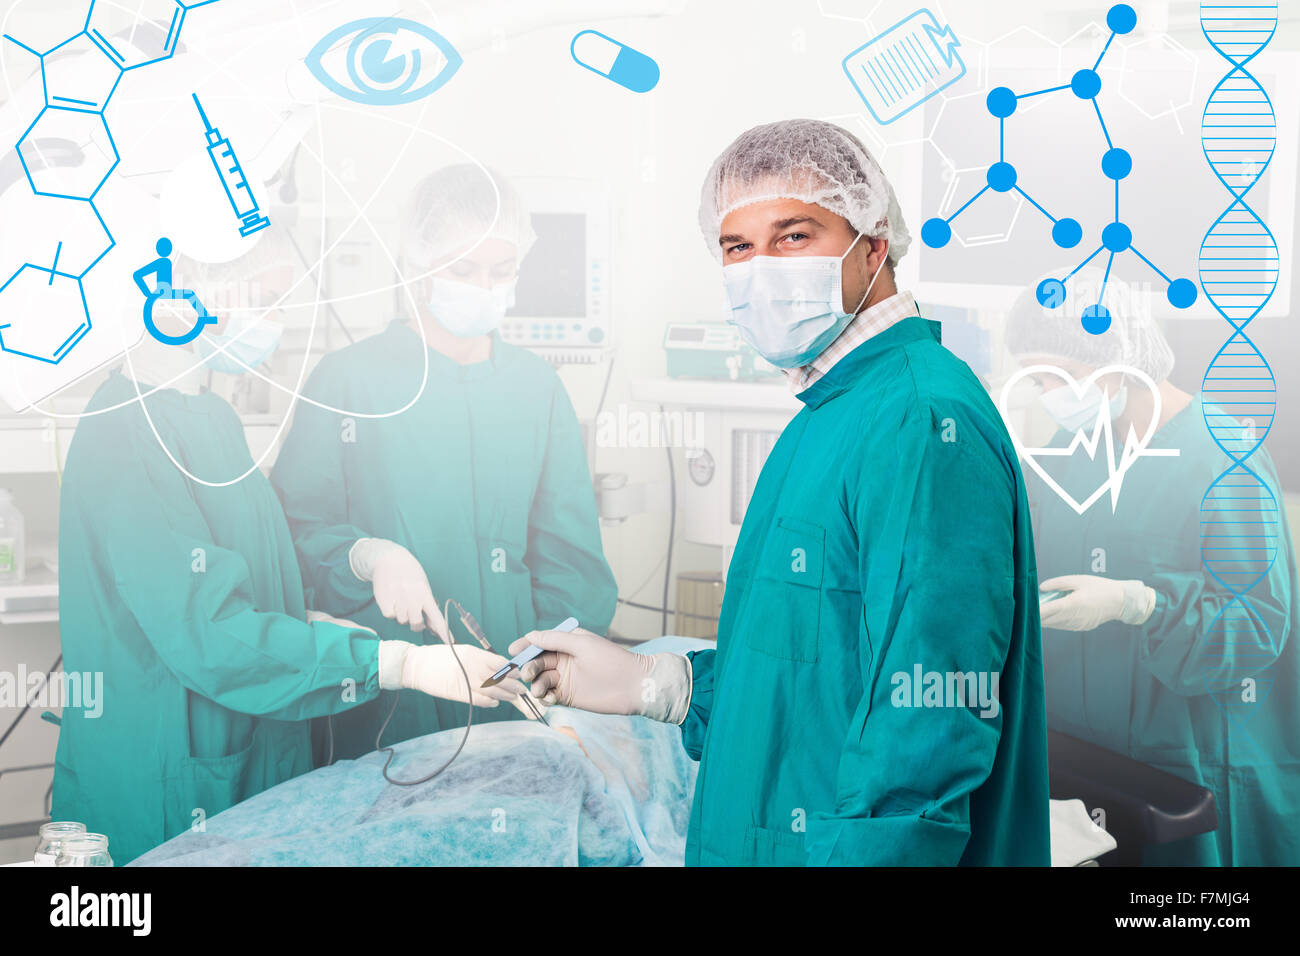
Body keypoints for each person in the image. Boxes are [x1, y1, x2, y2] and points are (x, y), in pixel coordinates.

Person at [512, 119, 1051, 866]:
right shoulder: (833, 412)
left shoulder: (922, 423)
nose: (761, 269)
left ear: (874, 243)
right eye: (738, 247)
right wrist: (658, 684)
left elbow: (924, 725)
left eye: (794, 236)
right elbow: (808, 677)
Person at [52, 236, 524, 863]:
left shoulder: (210, 417)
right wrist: (397, 665)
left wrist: (365, 560)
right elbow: (211, 633)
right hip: (170, 776)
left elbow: (250, 571)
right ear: (183, 291)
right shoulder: (125, 432)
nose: (274, 322)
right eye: (266, 300)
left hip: (250, 759)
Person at [271, 165, 617, 760]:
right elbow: (296, 534)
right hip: (383, 697)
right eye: (462, 270)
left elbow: (572, 561)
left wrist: (548, 670)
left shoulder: (536, 390)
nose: (484, 287)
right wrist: (369, 557)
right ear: (417, 264)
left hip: (515, 693)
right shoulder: (346, 382)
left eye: (500, 271)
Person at [1007, 279, 1299, 865]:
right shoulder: (1074, 447)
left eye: (1051, 376)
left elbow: (1258, 624)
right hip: (1079, 757)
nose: (1044, 395)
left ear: (1113, 360)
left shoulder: (1225, 459)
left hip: (1186, 763)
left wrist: (1140, 603)